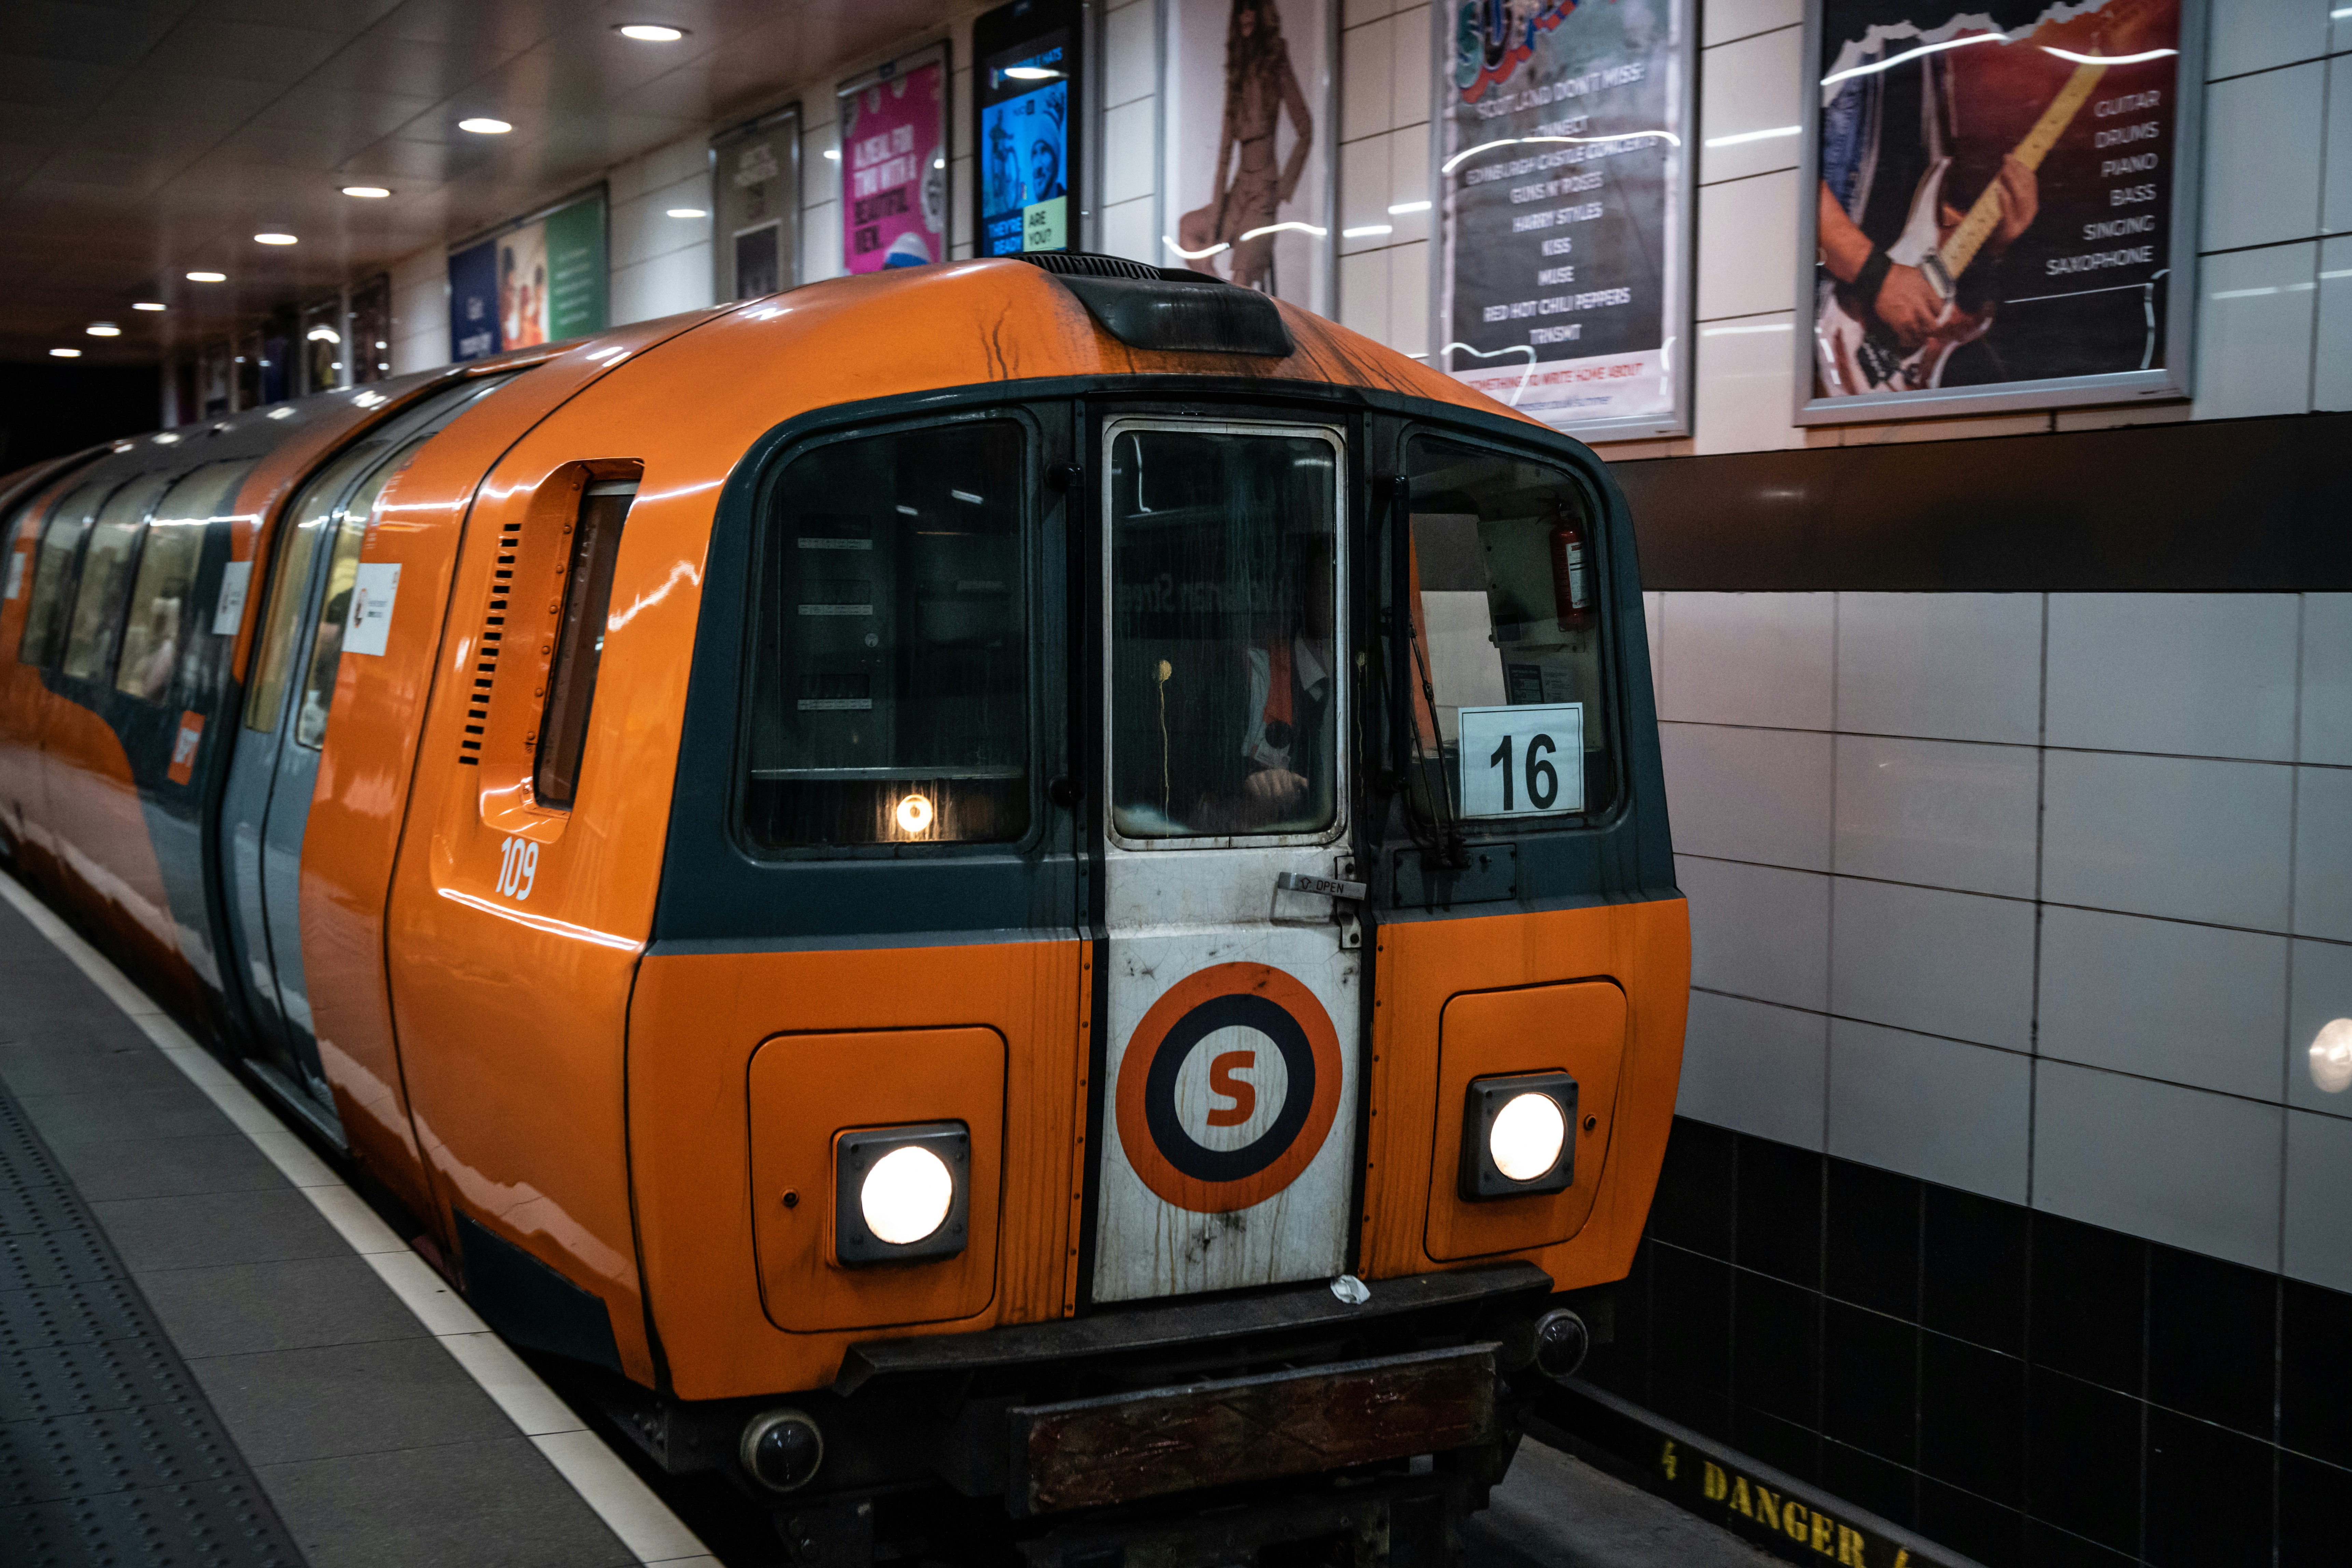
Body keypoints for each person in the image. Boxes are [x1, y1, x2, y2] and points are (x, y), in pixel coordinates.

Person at [1815, 38, 2040, 387]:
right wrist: (1876, 277)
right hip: (1824, 321)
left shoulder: (1927, 49)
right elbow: (1783, 175)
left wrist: (1991, 242)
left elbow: (1919, 217)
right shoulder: (1845, 30)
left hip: (1875, 349)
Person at [1177, 0, 1314, 292]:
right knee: (1188, 228)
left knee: (1243, 278)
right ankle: (1216, 296)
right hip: (1238, 191)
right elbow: (1225, 156)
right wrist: (1214, 226)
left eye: (1252, 8)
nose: (1246, 15)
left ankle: (1229, 308)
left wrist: (1282, 191)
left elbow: (1306, 130)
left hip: (1264, 191)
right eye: (1241, 9)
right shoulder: (1237, 72)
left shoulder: (1276, 62)